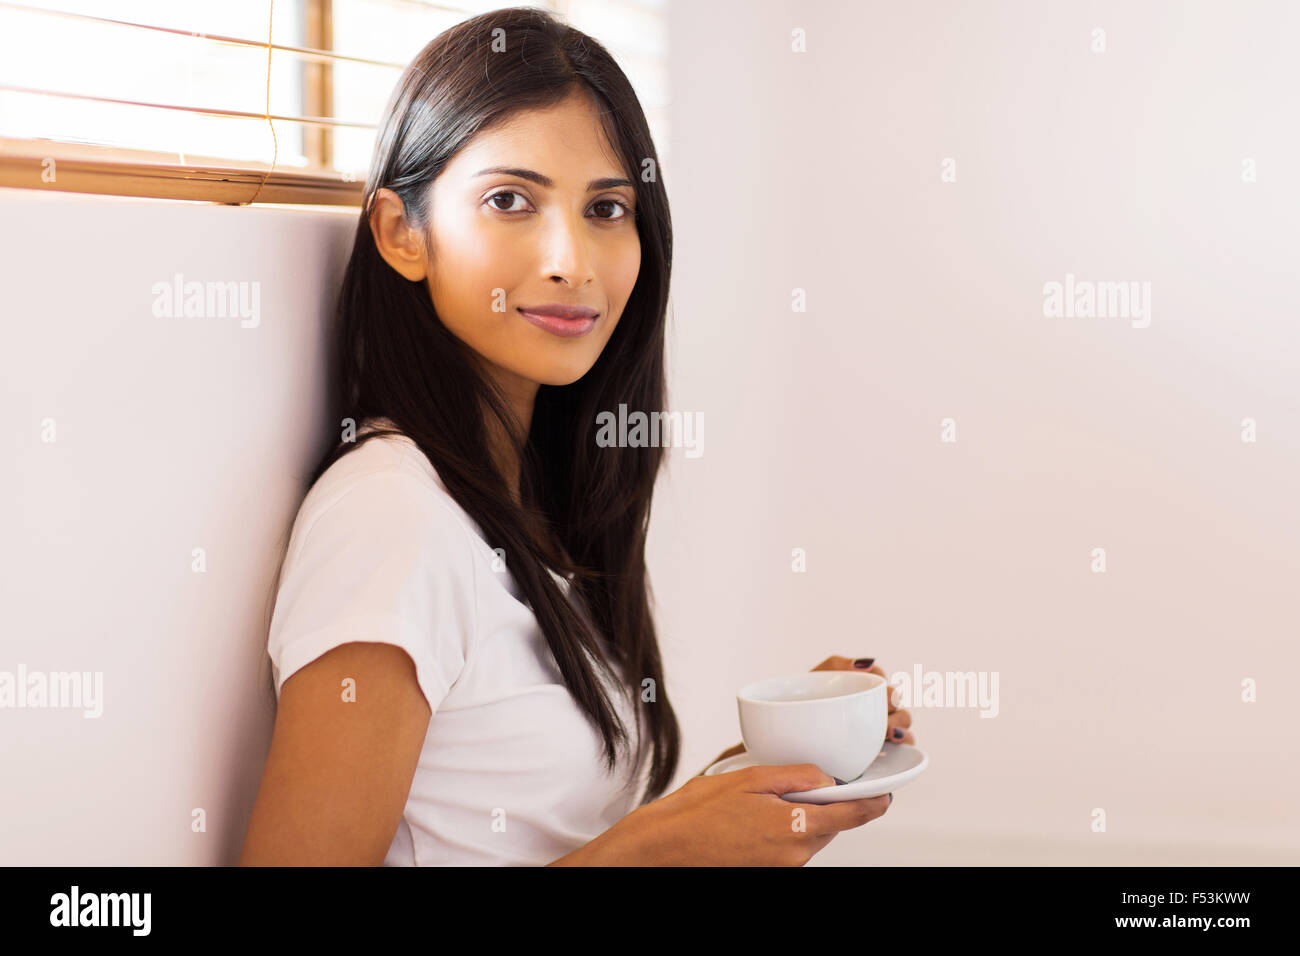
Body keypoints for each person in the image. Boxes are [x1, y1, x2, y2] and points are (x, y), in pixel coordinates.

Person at [239, 6, 914, 867]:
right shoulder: (391, 518)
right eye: (509, 200)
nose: (571, 260)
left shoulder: (529, 505)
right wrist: (650, 854)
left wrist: (767, 774)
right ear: (402, 233)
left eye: (606, 207)